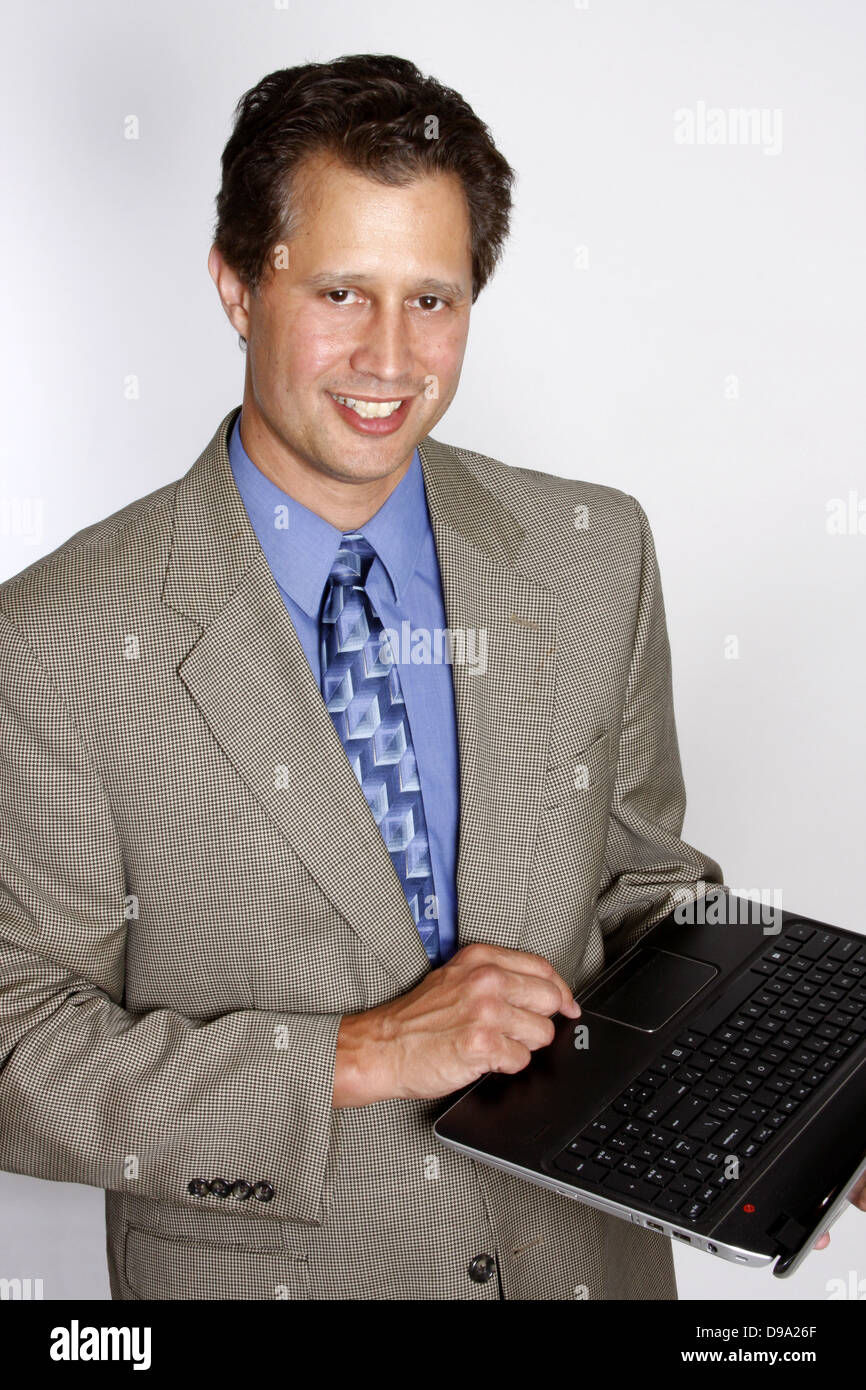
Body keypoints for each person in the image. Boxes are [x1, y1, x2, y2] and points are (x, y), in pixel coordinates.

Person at [2, 52, 851, 1301]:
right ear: (238, 285)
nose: (389, 359)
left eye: (433, 300)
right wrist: (358, 1054)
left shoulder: (591, 554)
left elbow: (646, 899)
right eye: (340, 291)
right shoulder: (56, 639)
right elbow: (19, 1045)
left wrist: (793, 1103)